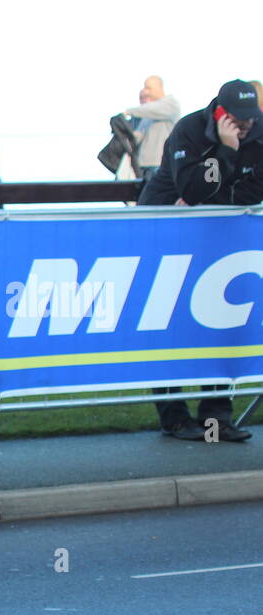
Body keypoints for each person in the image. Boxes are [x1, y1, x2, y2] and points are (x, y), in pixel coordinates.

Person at [138, 79, 262, 442]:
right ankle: (174, 419)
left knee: (220, 322)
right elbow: (193, 188)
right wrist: (225, 151)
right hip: (166, 238)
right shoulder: (189, 129)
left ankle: (216, 421)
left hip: (217, 239)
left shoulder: (258, 130)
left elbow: (253, 190)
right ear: (220, 113)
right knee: (170, 327)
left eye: (251, 118)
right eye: (239, 119)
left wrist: (209, 197)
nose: (247, 125)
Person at [123, 75, 180, 181]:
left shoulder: (170, 104)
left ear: (159, 87)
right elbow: (138, 137)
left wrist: (127, 112)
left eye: (148, 88)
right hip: (145, 166)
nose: (145, 91)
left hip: (160, 164)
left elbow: (151, 109)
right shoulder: (149, 114)